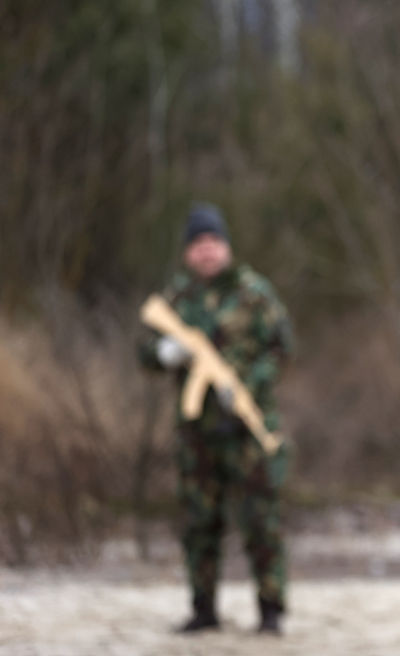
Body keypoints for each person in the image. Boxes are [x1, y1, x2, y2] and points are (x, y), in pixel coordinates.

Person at [138, 203, 294, 635]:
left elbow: (282, 348)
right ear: (188, 252)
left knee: (261, 520)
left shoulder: (254, 292)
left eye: (213, 242)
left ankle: (271, 610)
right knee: (198, 523)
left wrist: (247, 384)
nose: (207, 250)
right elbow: (144, 352)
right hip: (197, 431)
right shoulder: (176, 298)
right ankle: (203, 609)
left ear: (226, 246)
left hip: (249, 427)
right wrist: (164, 353)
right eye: (198, 243)